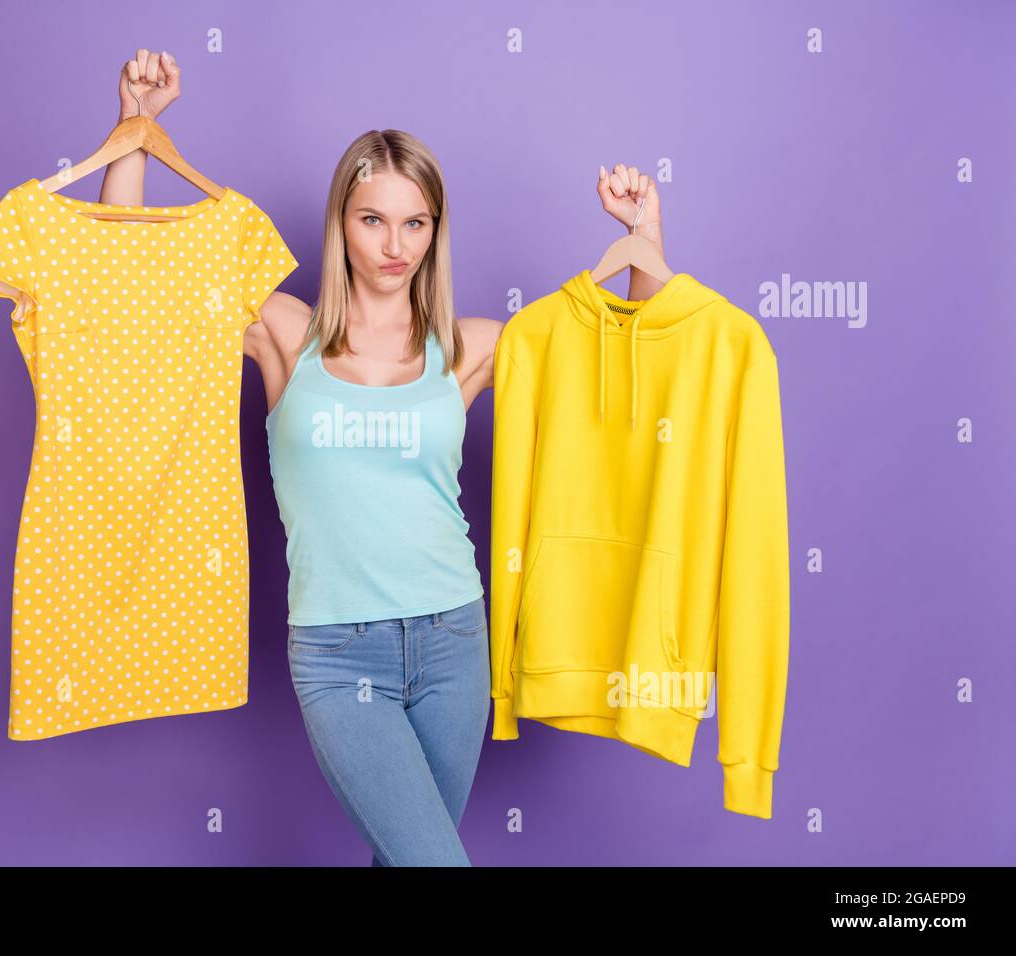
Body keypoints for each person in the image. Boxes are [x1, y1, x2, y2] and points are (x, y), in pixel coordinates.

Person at [99, 49, 669, 865]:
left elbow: (630, 369)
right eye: (373, 218)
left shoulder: (469, 347)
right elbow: (126, 282)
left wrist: (645, 240)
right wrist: (137, 126)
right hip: (337, 652)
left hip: (454, 643)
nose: (394, 243)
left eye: (415, 222)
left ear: (435, 230)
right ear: (340, 223)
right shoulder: (284, 331)